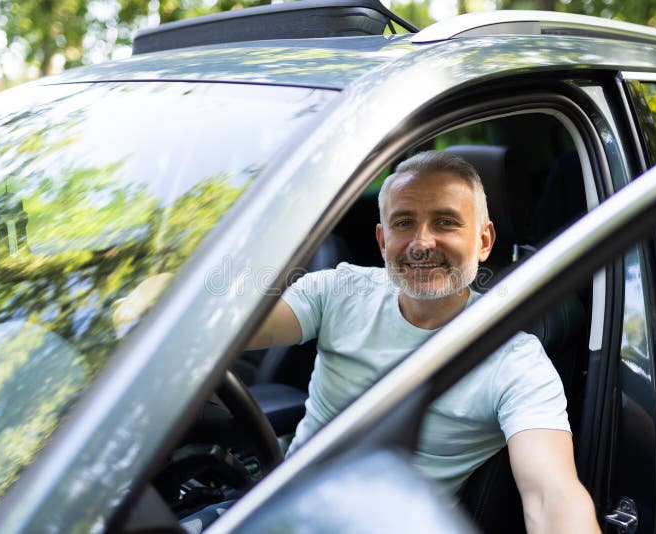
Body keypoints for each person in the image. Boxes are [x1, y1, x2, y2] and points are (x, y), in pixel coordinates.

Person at [250, 151, 599, 533]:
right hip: (276, 514)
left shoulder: (516, 360)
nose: (421, 243)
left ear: (483, 241)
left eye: (445, 222)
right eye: (404, 223)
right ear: (383, 241)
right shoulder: (337, 290)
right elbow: (228, 334)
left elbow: (552, 496)